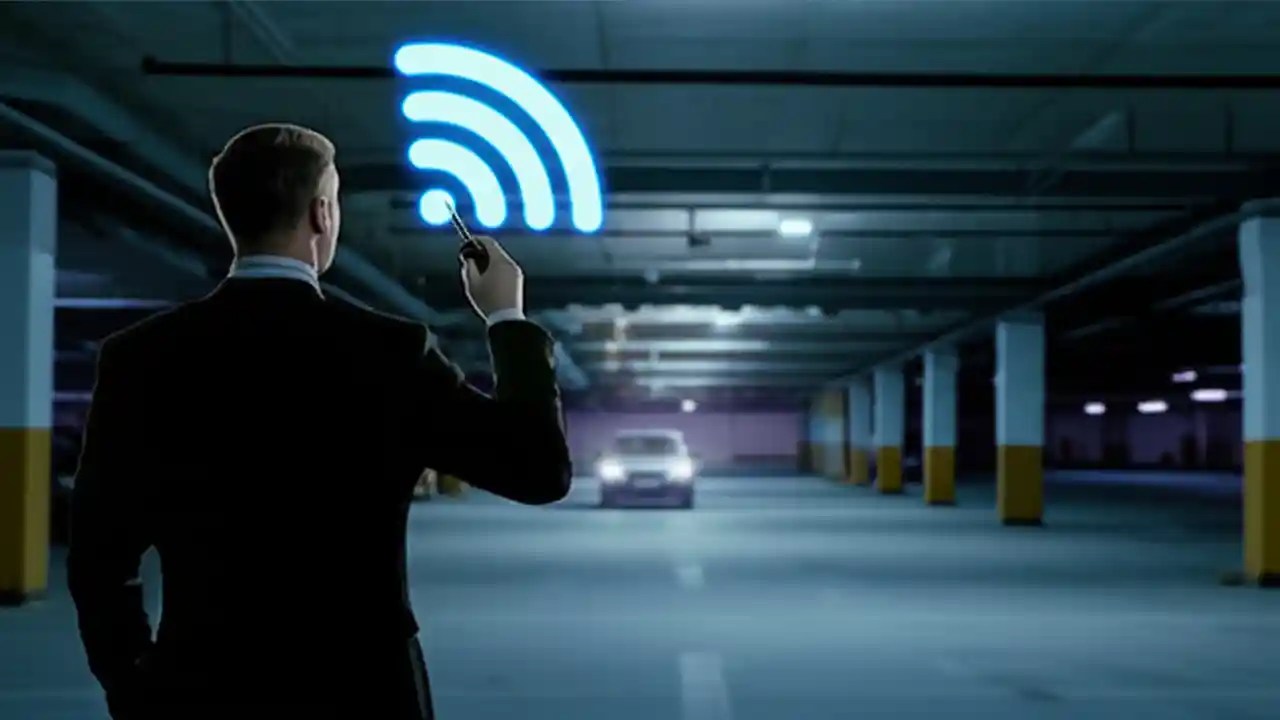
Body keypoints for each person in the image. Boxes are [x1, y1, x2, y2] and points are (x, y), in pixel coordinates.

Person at [66, 123, 572, 719]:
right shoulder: (391, 352)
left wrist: (133, 688)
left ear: (229, 214)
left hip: (200, 685)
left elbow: (99, 557)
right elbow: (537, 471)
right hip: (363, 689)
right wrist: (506, 316)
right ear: (322, 214)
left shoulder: (140, 357)